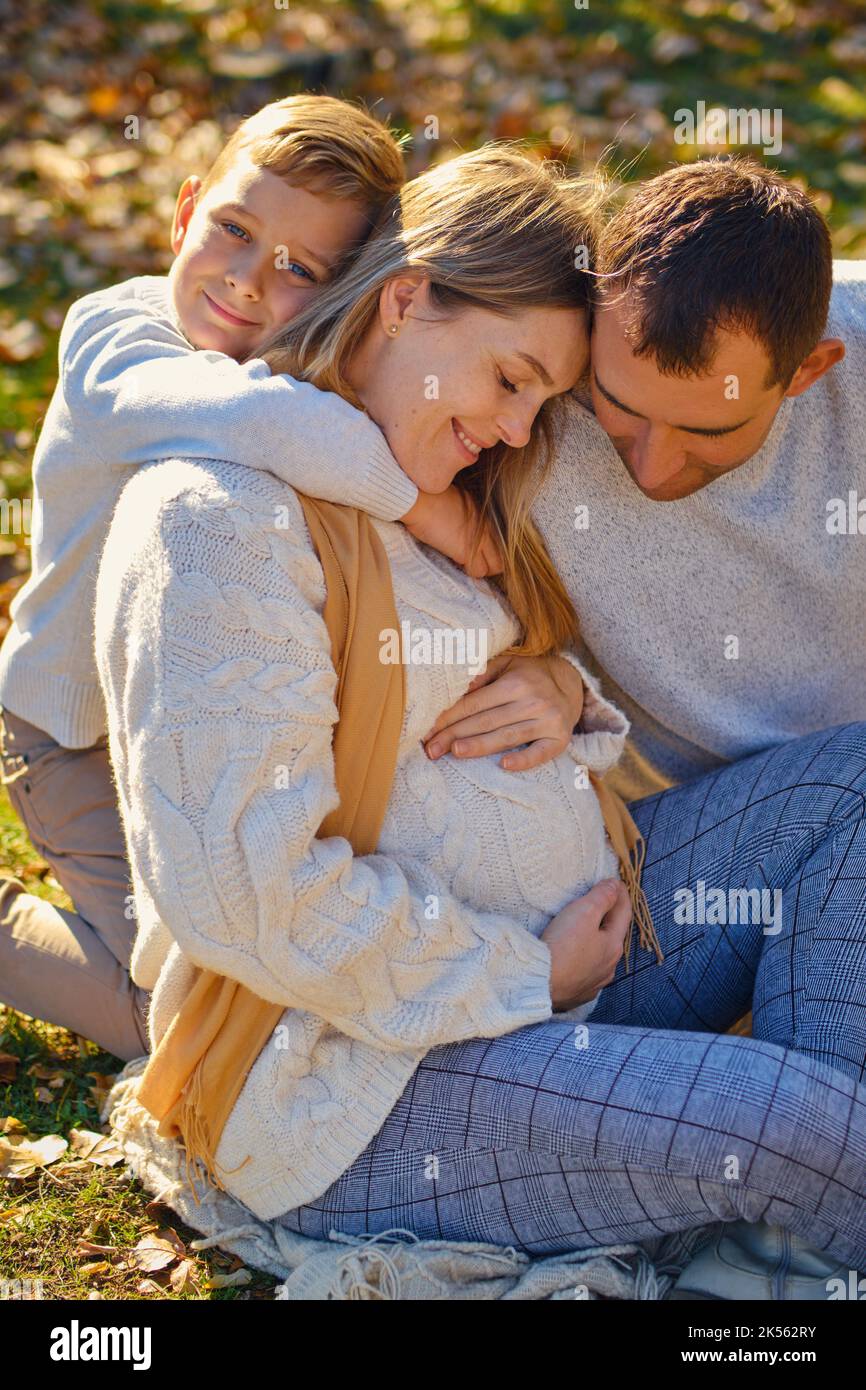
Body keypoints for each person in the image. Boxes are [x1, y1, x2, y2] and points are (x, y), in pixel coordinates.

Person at [95, 146, 866, 1286]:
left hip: (576, 944)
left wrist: (566, 692)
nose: (524, 434)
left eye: (543, 401)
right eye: (513, 384)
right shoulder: (214, 525)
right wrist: (521, 975)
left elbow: (496, 702)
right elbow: (246, 898)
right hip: (370, 1083)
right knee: (812, 1129)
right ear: (404, 299)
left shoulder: (442, 481)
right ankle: (794, 1165)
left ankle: (791, 1211)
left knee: (848, 784)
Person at [0, 94, 518, 1060]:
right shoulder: (116, 336)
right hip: (72, 738)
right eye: (234, 229)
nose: (245, 279)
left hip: (194, 733)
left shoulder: (288, 367)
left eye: (298, 269)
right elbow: (257, 422)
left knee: (245, 971)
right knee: (178, 1031)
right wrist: (418, 500)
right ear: (187, 206)